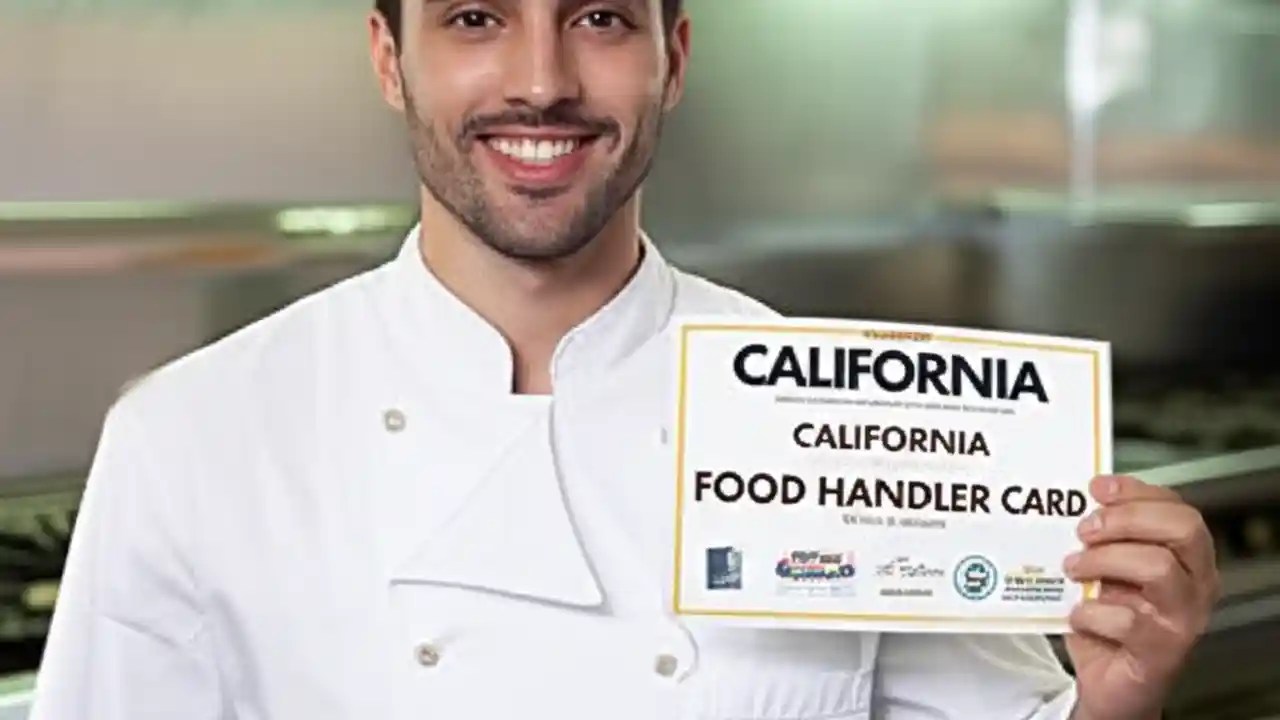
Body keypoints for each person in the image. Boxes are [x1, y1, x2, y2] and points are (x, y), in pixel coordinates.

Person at [30, 1, 1220, 718]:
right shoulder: (190, 441)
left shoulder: (843, 411)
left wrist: (1111, 703)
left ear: (674, 55)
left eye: (598, 17)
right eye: (475, 18)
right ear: (390, 58)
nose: (541, 79)